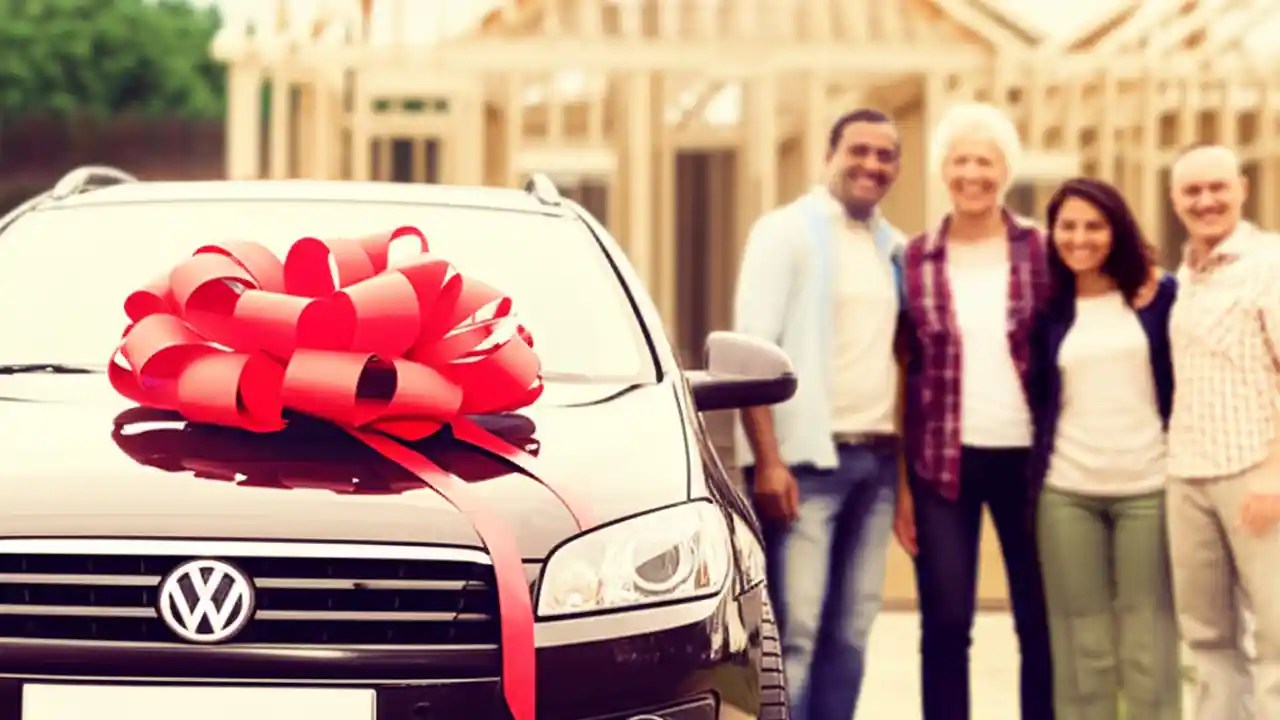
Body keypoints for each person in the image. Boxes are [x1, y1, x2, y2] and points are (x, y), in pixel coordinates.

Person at [731, 107, 906, 720]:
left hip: (878, 464)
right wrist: (769, 463)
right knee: (796, 635)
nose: (871, 164)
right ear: (829, 155)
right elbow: (750, 351)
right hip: (805, 467)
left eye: (886, 155)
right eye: (859, 150)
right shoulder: (785, 233)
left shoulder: (896, 249)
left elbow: (906, 362)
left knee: (852, 635)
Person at [896, 101, 1053, 720]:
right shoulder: (915, 257)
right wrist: (904, 487)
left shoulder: (1041, 249)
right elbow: (903, 375)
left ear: (1005, 171)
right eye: (960, 160)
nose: (972, 174)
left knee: (1037, 619)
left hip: (1030, 460)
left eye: (985, 161)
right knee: (947, 619)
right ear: (943, 170)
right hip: (942, 465)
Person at [1031, 177, 1180, 720]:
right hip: (1067, 493)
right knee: (1082, 650)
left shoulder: (1160, 296)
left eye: (1094, 225)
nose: (1080, 238)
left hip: (1149, 489)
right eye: (1067, 226)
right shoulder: (1048, 308)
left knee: (1148, 648)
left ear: (1117, 229)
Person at [1165, 143, 1280, 720]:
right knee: (1208, 641)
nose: (1206, 200)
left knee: (1277, 640)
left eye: (1217, 187)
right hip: (1187, 477)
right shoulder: (1184, 275)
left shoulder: (1270, 264)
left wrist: (1274, 475)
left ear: (1242, 188)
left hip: (1255, 477)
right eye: (1192, 191)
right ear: (1175, 200)